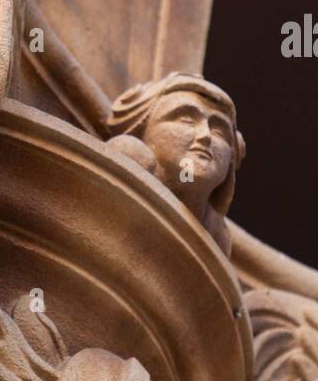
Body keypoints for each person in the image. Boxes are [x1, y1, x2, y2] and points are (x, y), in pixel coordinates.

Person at [105, 72, 245, 255]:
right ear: (143, 128)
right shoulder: (130, 161)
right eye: (186, 120)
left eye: (219, 132)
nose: (205, 136)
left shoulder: (217, 234)